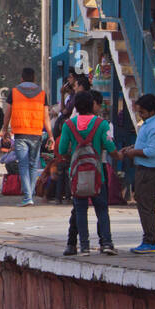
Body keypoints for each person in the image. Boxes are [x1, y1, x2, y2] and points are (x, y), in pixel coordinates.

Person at [58, 91, 117, 256]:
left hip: (77, 176)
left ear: (76, 106)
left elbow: (62, 149)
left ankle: (84, 246)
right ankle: (106, 243)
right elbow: (110, 147)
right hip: (98, 175)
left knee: (80, 210)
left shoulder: (68, 125)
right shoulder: (102, 124)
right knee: (102, 210)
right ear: (92, 105)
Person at [118, 94, 155, 254]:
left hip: (149, 171)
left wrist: (134, 153)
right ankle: (149, 238)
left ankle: (151, 240)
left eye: (143, 112)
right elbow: (145, 143)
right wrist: (132, 148)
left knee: (146, 206)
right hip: (143, 169)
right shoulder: (148, 124)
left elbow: (151, 151)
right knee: (143, 204)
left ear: (151, 111)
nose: (140, 115)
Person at [1, 67, 51, 207]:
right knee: (33, 165)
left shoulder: (14, 92)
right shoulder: (42, 93)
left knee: (23, 164)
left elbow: (8, 112)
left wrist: (5, 129)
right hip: (36, 133)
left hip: (20, 133)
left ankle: (28, 196)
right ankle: (30, 195)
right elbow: (46, 116)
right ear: (34, 78)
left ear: (21, 78)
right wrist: (51, 135)